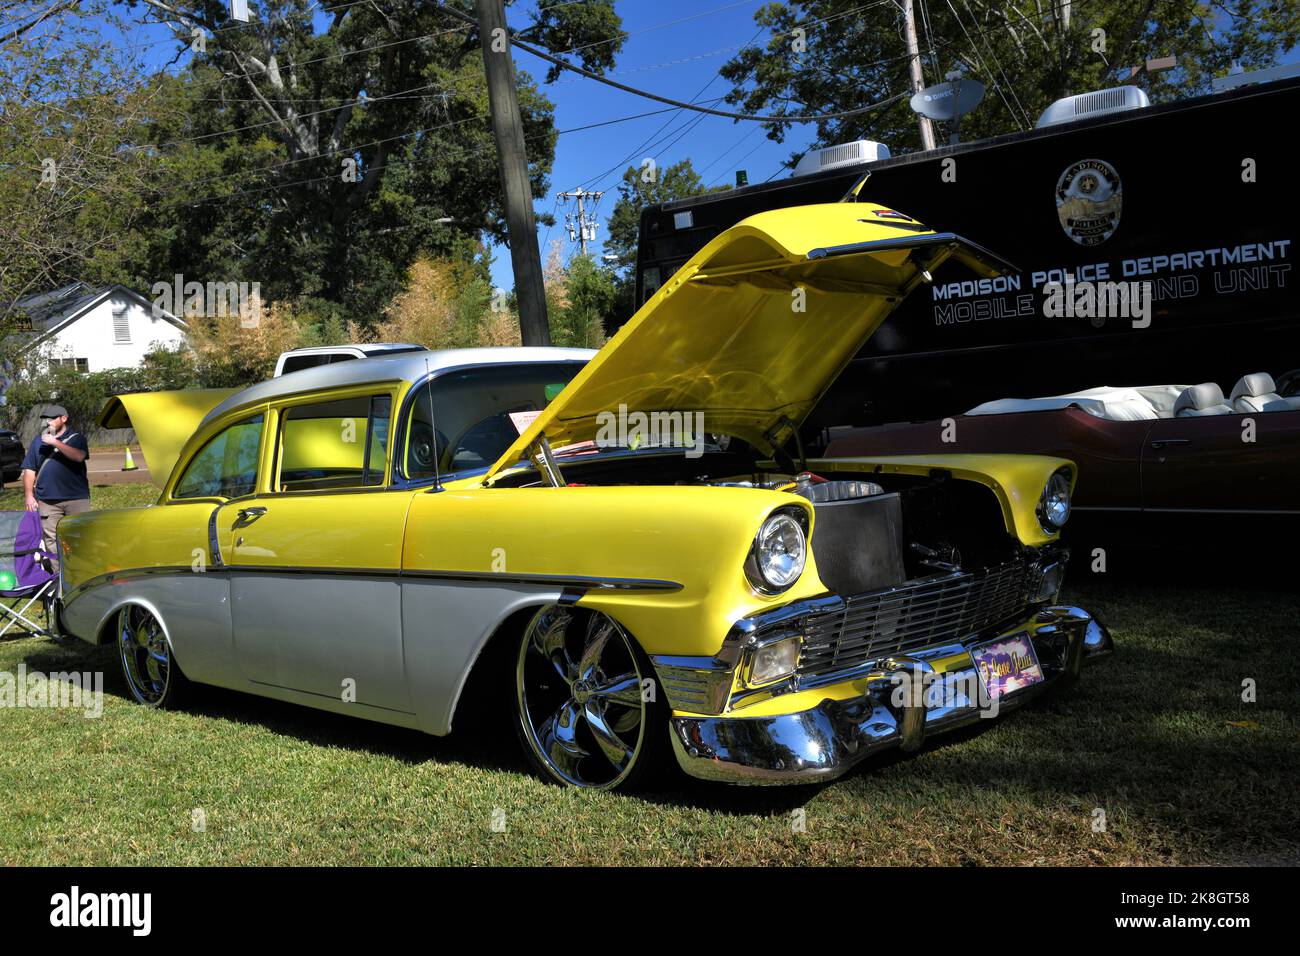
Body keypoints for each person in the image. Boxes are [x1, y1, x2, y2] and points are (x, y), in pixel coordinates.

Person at [21, 403, 90, 567]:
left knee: (81, 538)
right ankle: (57, 580)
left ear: (64, 418)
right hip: (47, 501)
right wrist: (29, 496)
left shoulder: (77, 438)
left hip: (76, 499)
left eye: (52, 419)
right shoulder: (38, 442)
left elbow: (79, 456)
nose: (47, 422)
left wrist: (55, 443)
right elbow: (29, 469)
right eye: (45, 419)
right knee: (52, 542)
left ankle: (82, 574)